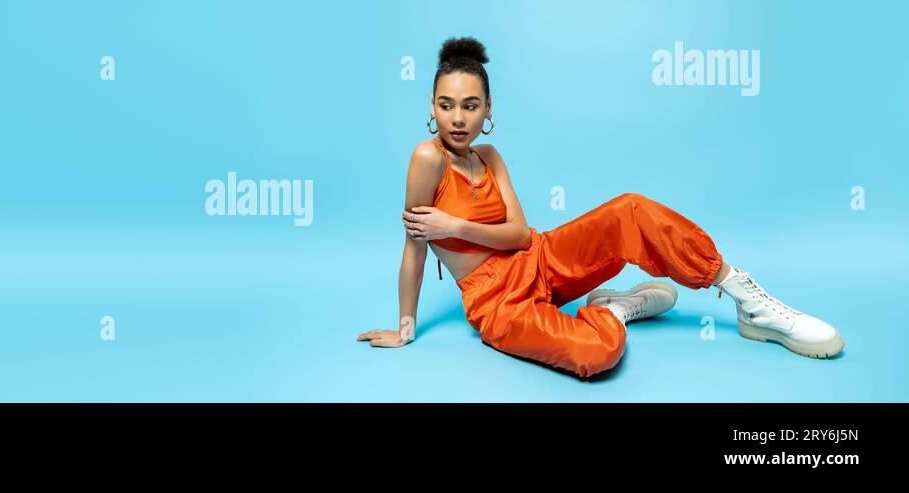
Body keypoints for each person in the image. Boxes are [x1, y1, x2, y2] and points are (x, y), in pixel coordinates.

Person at [355, 37, 844, 378]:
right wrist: (405, 328)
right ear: (432, 106)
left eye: (470, 105)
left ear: (488, 110)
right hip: (494, 300)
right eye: (446, 104)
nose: (457, 118)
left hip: (538, 258)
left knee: (629, 211)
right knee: (598, 354)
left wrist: (455, 223)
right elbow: (414, 251)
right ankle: (616, 309)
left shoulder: (490, 155)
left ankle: (745, 297)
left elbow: (522, 237)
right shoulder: (426, 158)